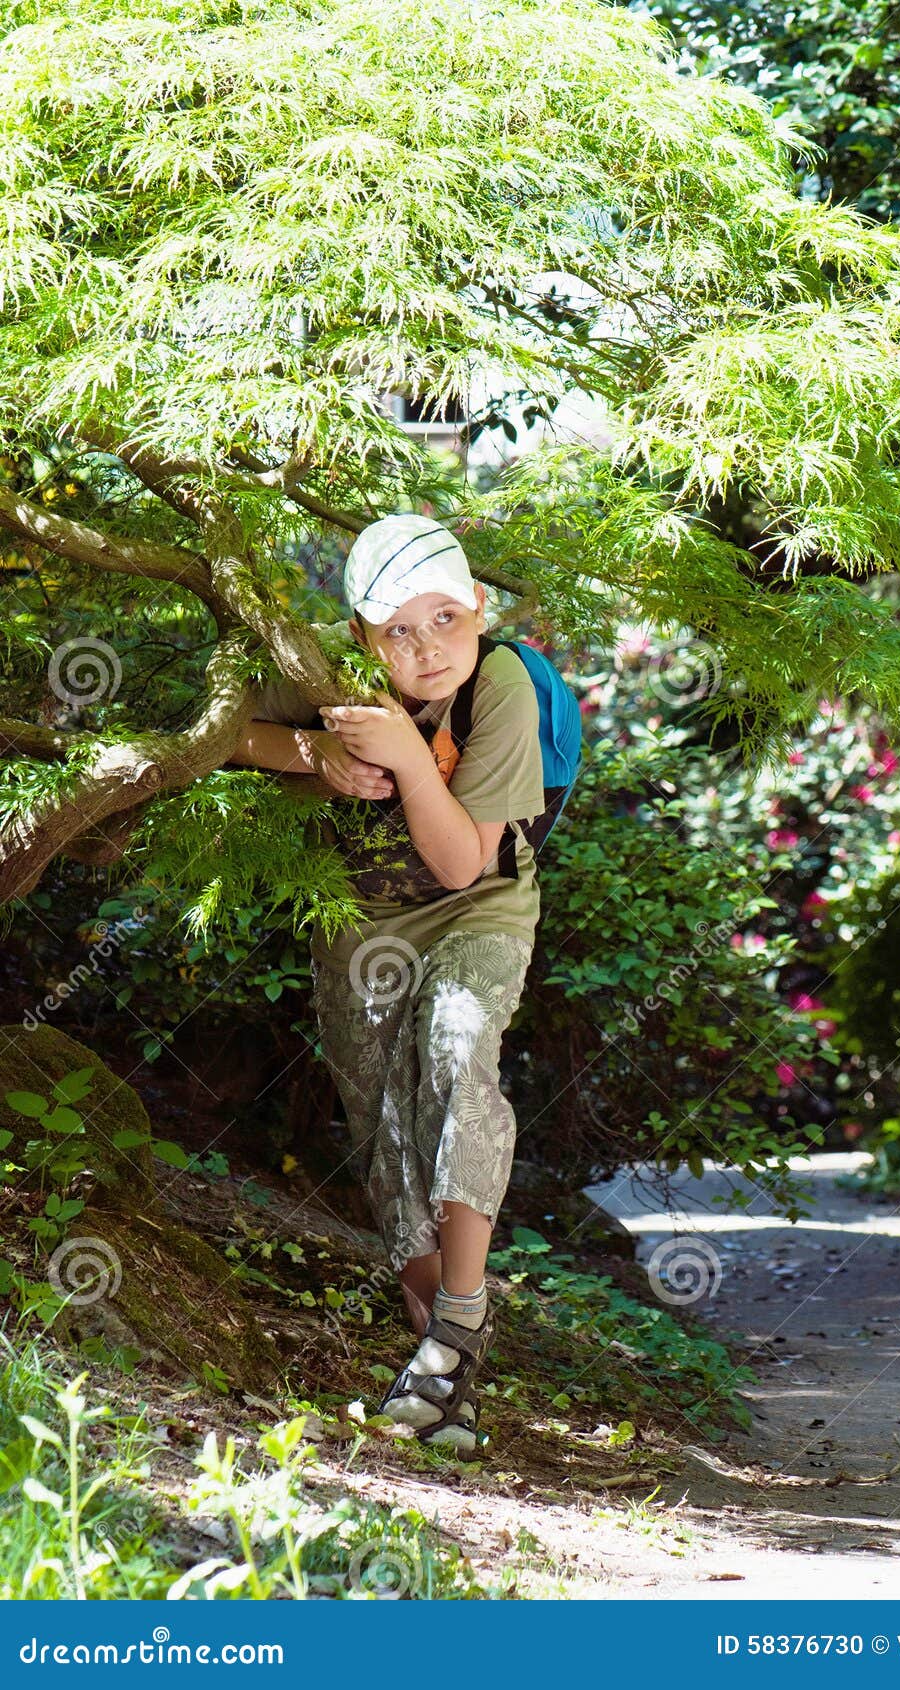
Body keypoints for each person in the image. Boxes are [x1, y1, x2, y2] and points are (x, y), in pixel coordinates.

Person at [226, 514, 546, 1452]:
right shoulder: (325, 675)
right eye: (397, 630)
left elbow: (459, 864)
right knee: (385, 1135)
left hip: (477, 908)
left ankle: (460, 1315)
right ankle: (445, 1377)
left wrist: (407, 758)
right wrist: (312, 754)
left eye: (445, 617)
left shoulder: (500, 685)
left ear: (478, 606)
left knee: (456, 1055)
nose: (426, 647)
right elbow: (228, 731)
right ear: (361, 635)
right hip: (359, 926)